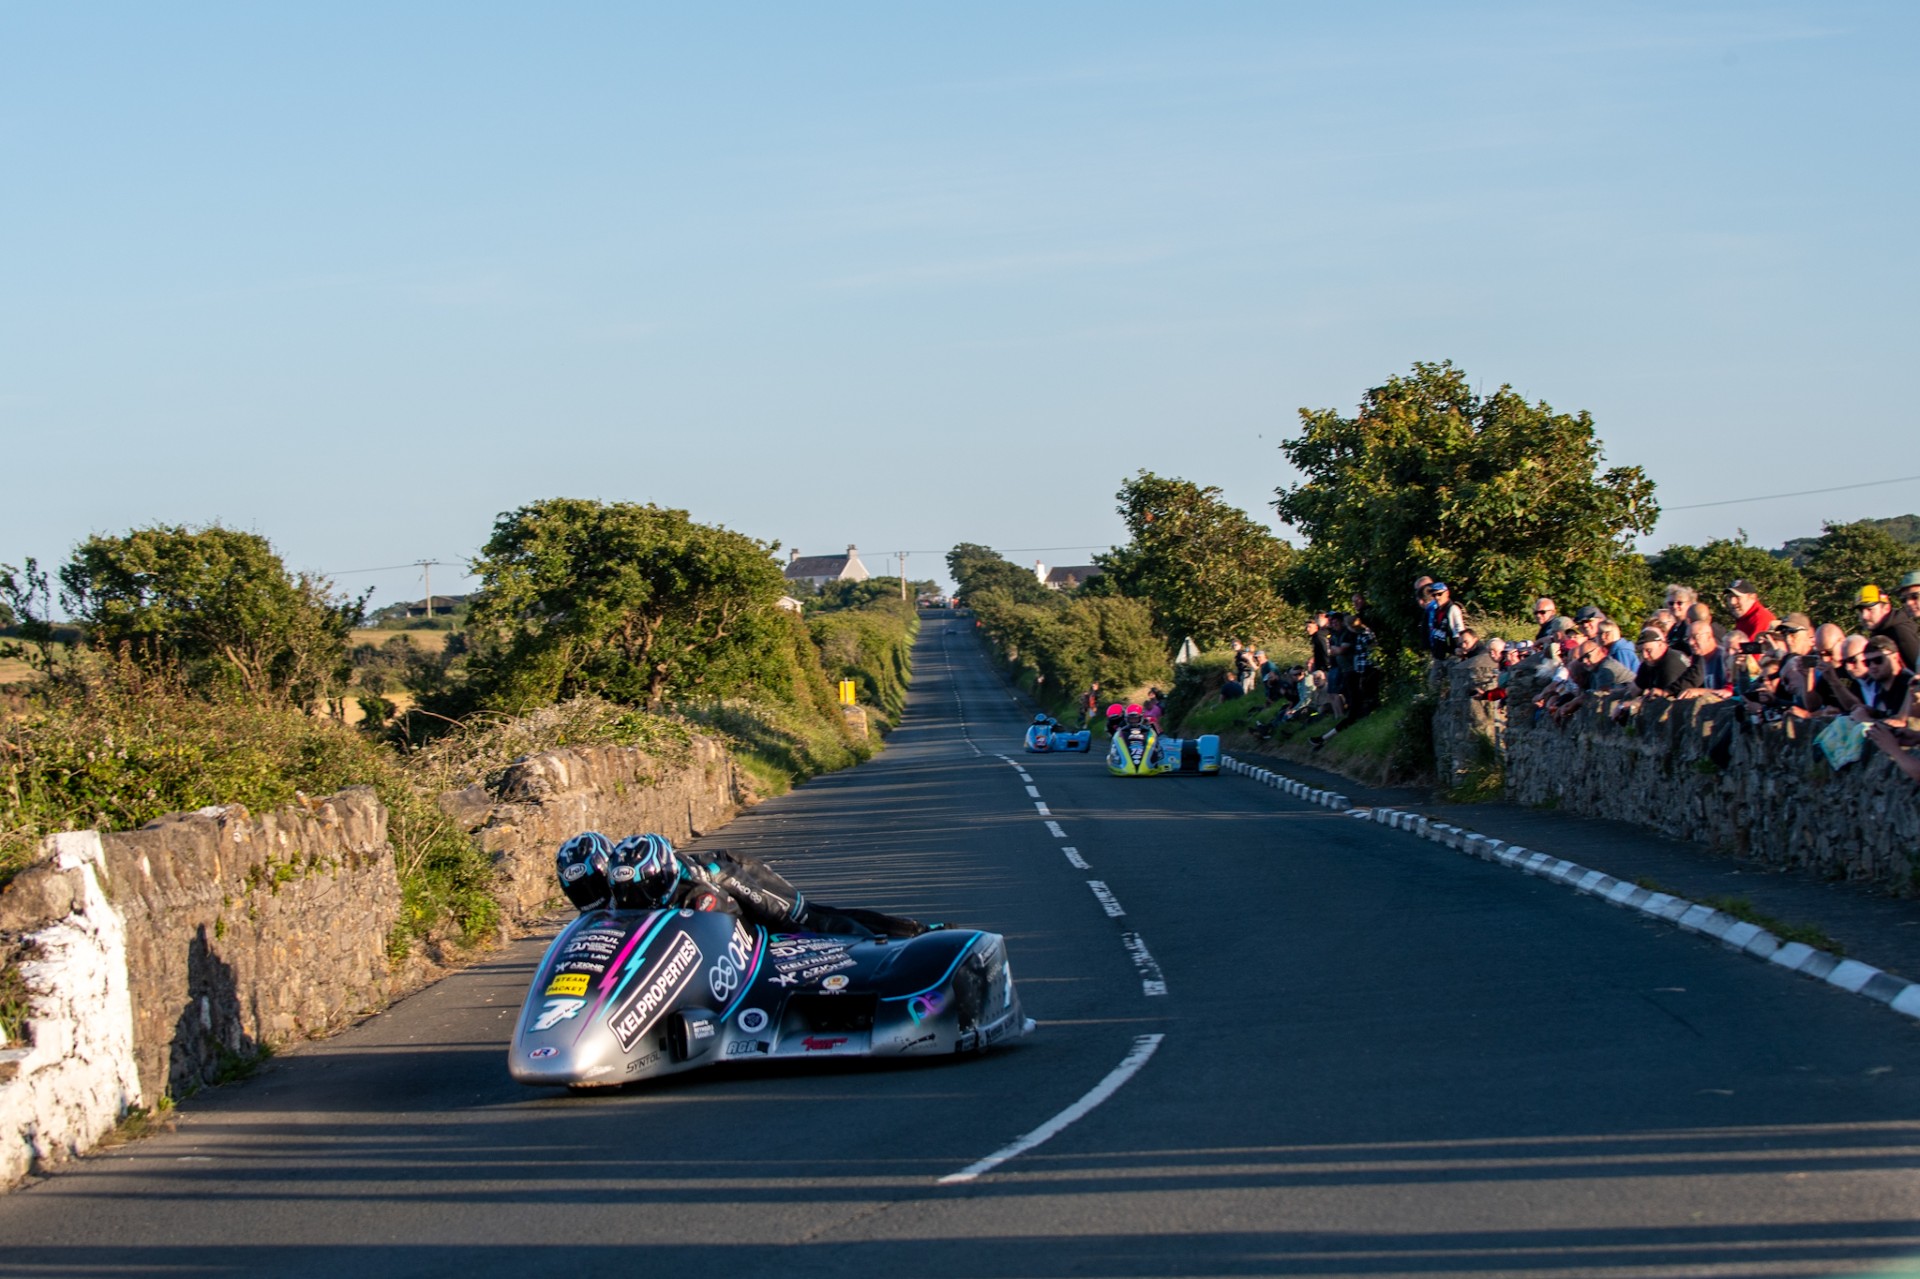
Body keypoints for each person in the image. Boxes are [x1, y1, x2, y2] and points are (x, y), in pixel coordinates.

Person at [566, 831, 932, 938]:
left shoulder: (698, 892)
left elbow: (724, 931)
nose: (633, 899)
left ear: (658, 878)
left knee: (804, 922)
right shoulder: (618, 891)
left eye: (640, 890)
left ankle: (900, 933)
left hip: (735, 878)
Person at [1858, 585, 1920, 669]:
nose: (1864, 616)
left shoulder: (1899, 631)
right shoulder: (1880, 631)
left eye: (1870, 609)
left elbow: (1916, 667)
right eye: (1861, 611)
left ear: (1886, 608)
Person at [1426, 582, 1465, 658]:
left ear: (1447, 593)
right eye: (1434, 595)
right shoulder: (1436, 611)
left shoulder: (1453, 609)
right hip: (1439, 654)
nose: (1437, 598)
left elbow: (1460, 630)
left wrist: (1459, 647)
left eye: (1439, 594)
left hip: (1452, 654)